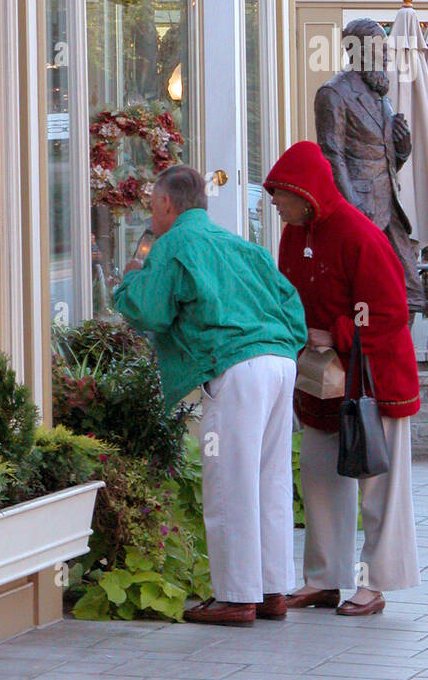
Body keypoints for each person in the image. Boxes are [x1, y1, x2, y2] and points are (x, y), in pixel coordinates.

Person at [113, 164, 306, 627]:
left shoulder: (174, 244)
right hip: (280, 361)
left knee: (230, 482)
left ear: (166, 204)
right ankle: (272, 590)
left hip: (234, 366)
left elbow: (151, 312)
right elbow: (291, 307)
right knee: (271, 480)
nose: (152, 216)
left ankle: (237, 597)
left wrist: (130, 282)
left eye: (152, 207)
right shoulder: (242, 245)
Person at [263, 141, 421, 617]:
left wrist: (334, 332)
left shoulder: (360, 236)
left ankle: (375, 584)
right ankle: (324, 578)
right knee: (318, 478)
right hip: (323, 382)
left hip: (375, 383)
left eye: (280, 194)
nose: (274, 202)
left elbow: (391, 313)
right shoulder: (293, 235)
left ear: (304, 193)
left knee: (378, 487)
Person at [314, 16, 423, 313]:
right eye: (380, 46)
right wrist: (354, 209)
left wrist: (403, 146)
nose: (387, 53)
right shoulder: (334, 93)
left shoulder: (380, 95)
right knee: (363, 291)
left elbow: (385, 157)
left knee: (410, 291)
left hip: (389, 205)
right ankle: (366, 342)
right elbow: (332, 156)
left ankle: (396, 342)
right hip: (361, 206)